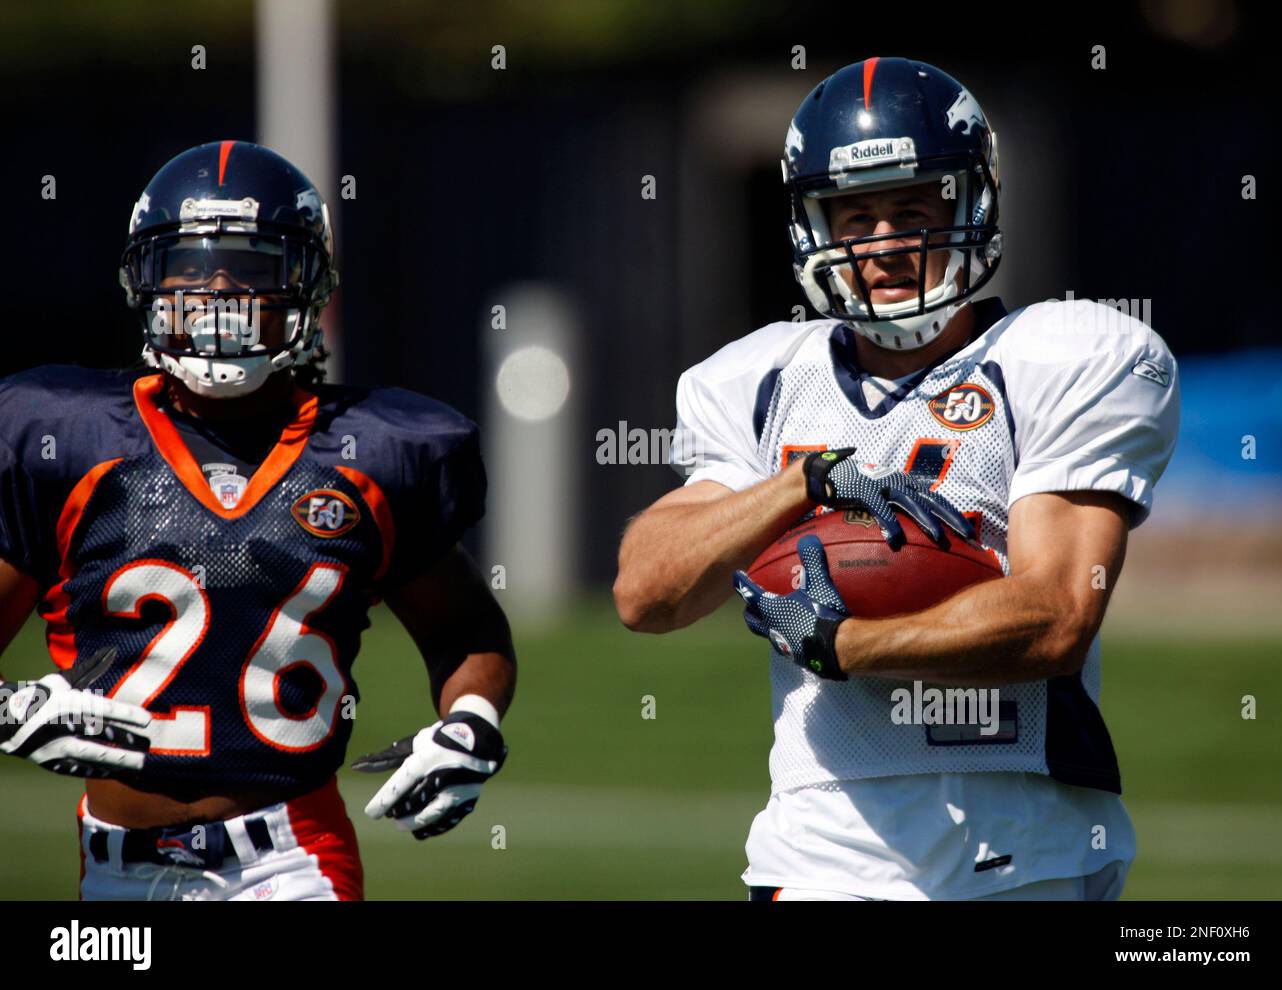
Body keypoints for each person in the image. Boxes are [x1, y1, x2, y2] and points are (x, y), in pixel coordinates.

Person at [614, 58, 1180, 900]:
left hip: (1028, 850)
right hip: (818, 859)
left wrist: (844, 646)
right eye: (857, 215)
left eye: (913, 208)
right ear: (815, 226)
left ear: (971, 204)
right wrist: (805, 485)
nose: (885, 244)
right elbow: (646, 593)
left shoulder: (1066, 357)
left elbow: (1057, 614)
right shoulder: (761, 378)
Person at [0, 140, 516, 901]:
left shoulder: (376, 452)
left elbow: (463, 628)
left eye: (249, 268)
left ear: (307, 288)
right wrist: (10, 711)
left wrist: (471, 722)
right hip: (114, 866)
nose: (216, 290)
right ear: (145, 282)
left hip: (291, 859)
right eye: (190, 268)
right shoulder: (65, 443)